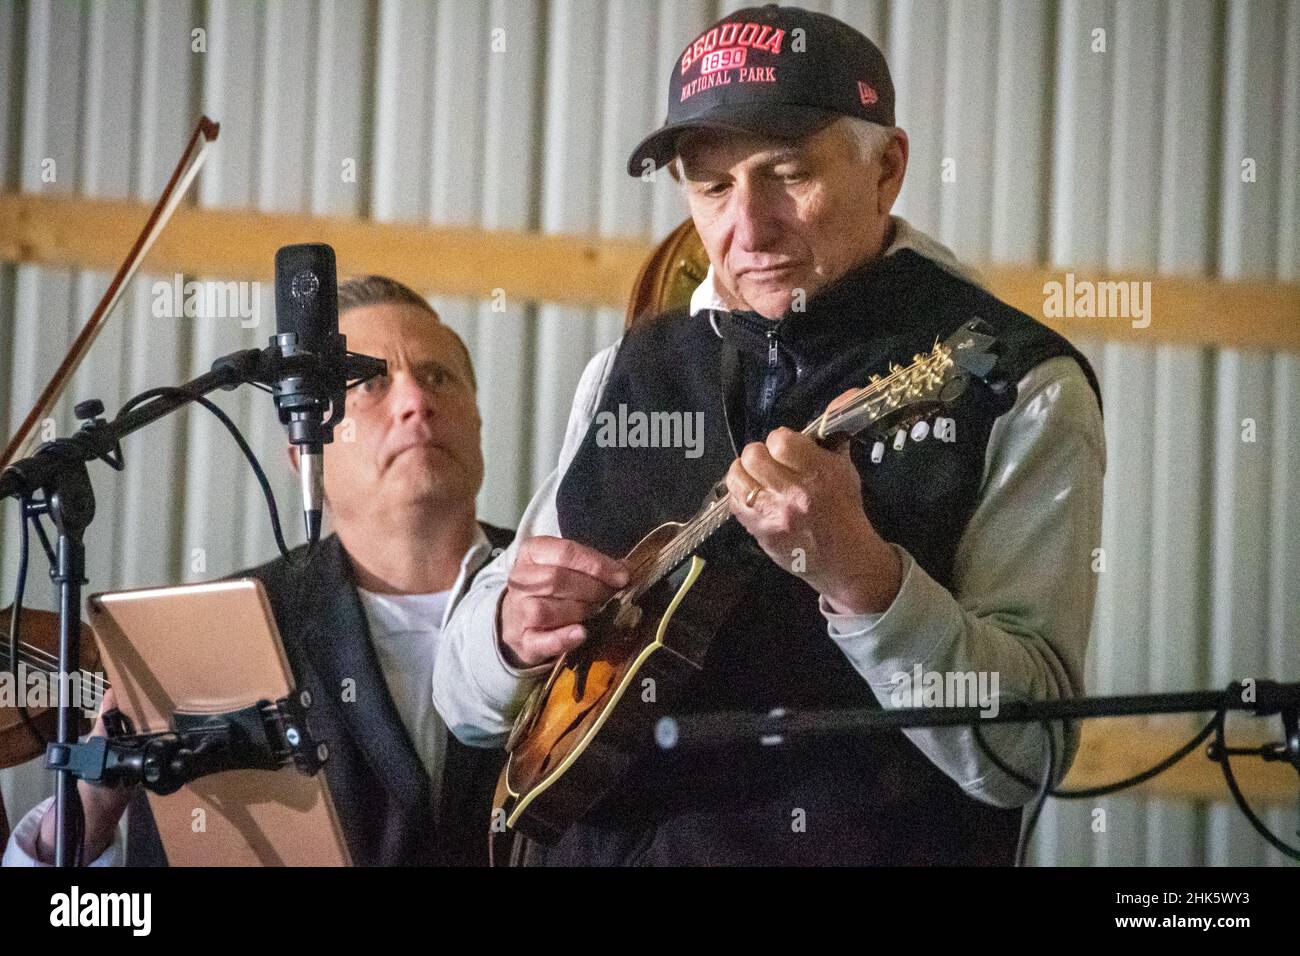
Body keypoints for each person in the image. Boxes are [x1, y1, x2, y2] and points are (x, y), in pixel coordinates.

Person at [434, 4, 1106, 865]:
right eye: (711, 188)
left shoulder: (1017, 383)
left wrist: (867, 580)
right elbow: (461, 699)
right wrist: (504, 633)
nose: (745, 229)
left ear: (888, 167)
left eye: (786, 173)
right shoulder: (627, 369)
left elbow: (1029, 754)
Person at [4, 275, 509, 867]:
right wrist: (84, 818)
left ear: (477, 420)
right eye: (371, 382)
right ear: (304, 451)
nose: (414, 401)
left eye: (438, 376)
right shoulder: (214, 630)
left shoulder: (573, 596)